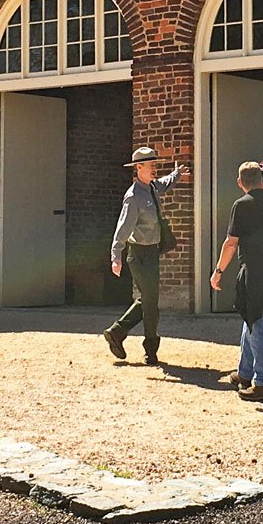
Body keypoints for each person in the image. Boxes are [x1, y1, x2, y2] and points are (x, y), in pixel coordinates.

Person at [211, 162, 263, 401]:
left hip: (255, 272)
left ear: (240, 183)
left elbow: (231, 243)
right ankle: (244, 372)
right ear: (262, 179)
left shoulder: (241, 205)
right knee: (252, 316)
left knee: (257, 323)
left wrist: (218, 271)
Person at [103, 146, 189, 364]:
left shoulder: (151, 187)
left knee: (147, 300)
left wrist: (177, 174)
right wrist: (116, 255)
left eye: (155, 166)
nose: (154, 170)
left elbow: (165, 184)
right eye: (151, 166)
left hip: (151, 253)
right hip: (139, 254)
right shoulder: (133, 197)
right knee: (150, 303)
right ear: (139, 168)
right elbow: (122, 228)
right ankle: (145, 347)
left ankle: (119, 333)